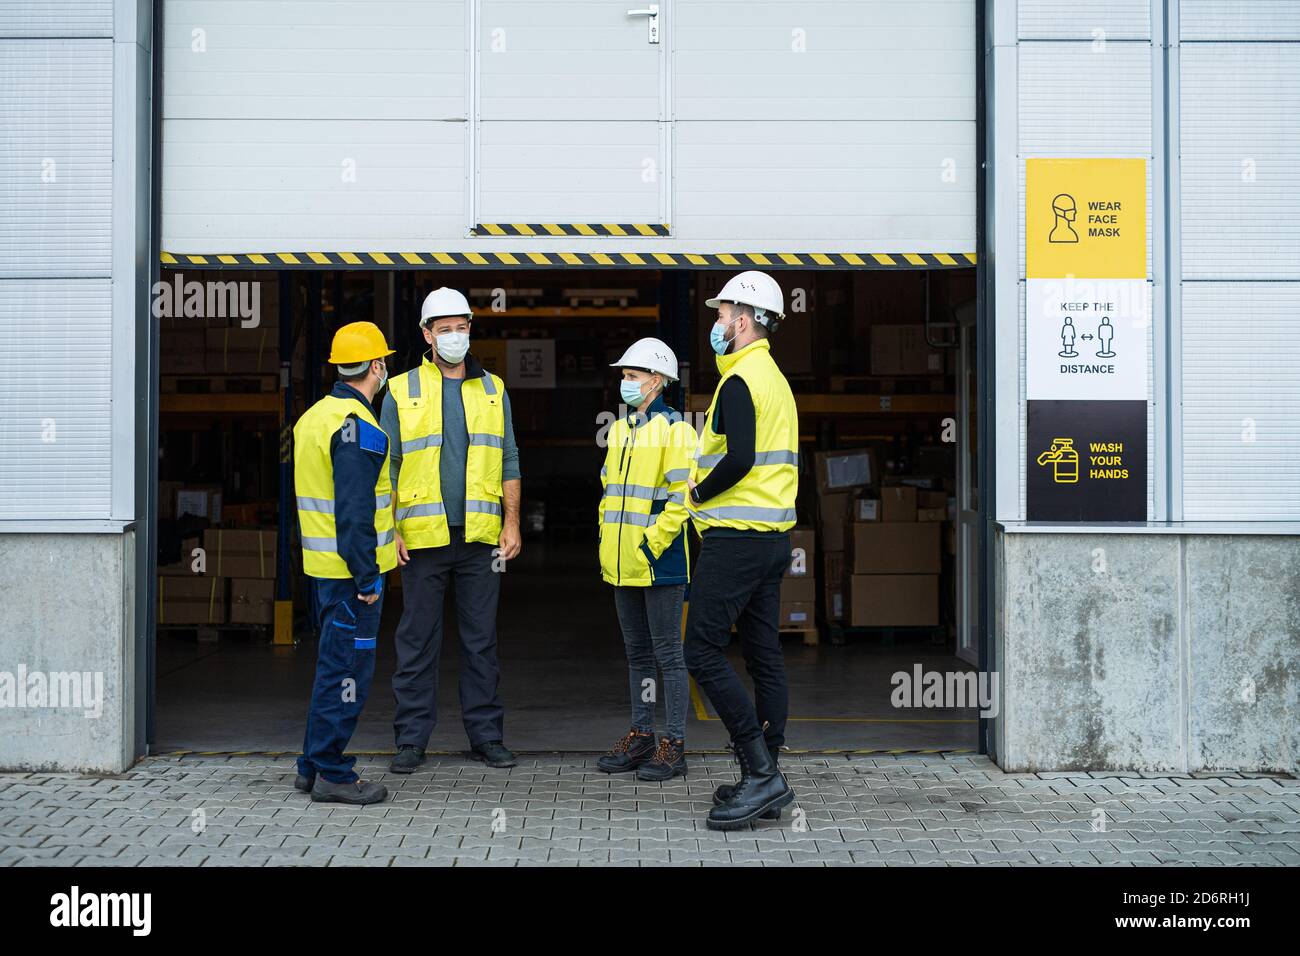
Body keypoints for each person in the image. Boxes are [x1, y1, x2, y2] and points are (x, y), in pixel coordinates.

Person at [382, 287, 522, 772]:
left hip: (481, 538)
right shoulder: (401, 389)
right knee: (417, 640)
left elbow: (508, 456)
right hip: (422, 539)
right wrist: (390, 529)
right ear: (427, 335)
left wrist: (512, 521)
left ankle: (486, 736)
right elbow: (389, 464)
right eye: (445, 330)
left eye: (462, 327)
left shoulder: (493, 388)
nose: (456, 336)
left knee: (480, 641)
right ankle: (411, 740)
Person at [683, 270, 799, 830]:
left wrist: (697, 492)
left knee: (699, 651)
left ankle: (760, 772)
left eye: (722, 314)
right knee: (763, 656)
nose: (717, 323)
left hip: (736, 540)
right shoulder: (773, 376)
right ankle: (767, 775)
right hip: (774, 539)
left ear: (744, 320)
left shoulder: (739, 381)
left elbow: (742, 457)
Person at [292, 321, 398, 805]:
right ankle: (333, 772)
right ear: (377, 365)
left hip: (323, 571)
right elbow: (354, 512)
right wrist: (367, 576)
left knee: (330, 668)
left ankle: (312, 763)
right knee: (348, 673)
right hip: (351, 577)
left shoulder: (314, 416)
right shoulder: (360, 428)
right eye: (384, 363)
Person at [595, 338, 695, 780]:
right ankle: (641, 737)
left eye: (632, 376)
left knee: (668, 655)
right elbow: (608, 495)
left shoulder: (678, 431)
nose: (625, 383)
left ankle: (673, 743)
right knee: (637, 655)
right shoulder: (619, 430)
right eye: (624, 376)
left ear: (656, 381)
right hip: (621, 564)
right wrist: (606, 539)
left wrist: (650, 544)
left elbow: (681, 500)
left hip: (659, 562)